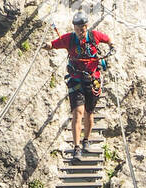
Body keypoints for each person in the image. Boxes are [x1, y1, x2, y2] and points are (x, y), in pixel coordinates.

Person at [46, 11, 113, 158]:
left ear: (86, 27)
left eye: (82, 30)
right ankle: (77, 148)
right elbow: (53, 44)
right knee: (78, 113)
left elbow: (107, 39)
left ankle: (86, 140)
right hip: (76, 81)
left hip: (92, 80)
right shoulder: (69, 39)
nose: (79, 33)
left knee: (89, 112)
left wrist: (111, 45)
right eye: (77, 30)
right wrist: (47, 45)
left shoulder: (94, 36)